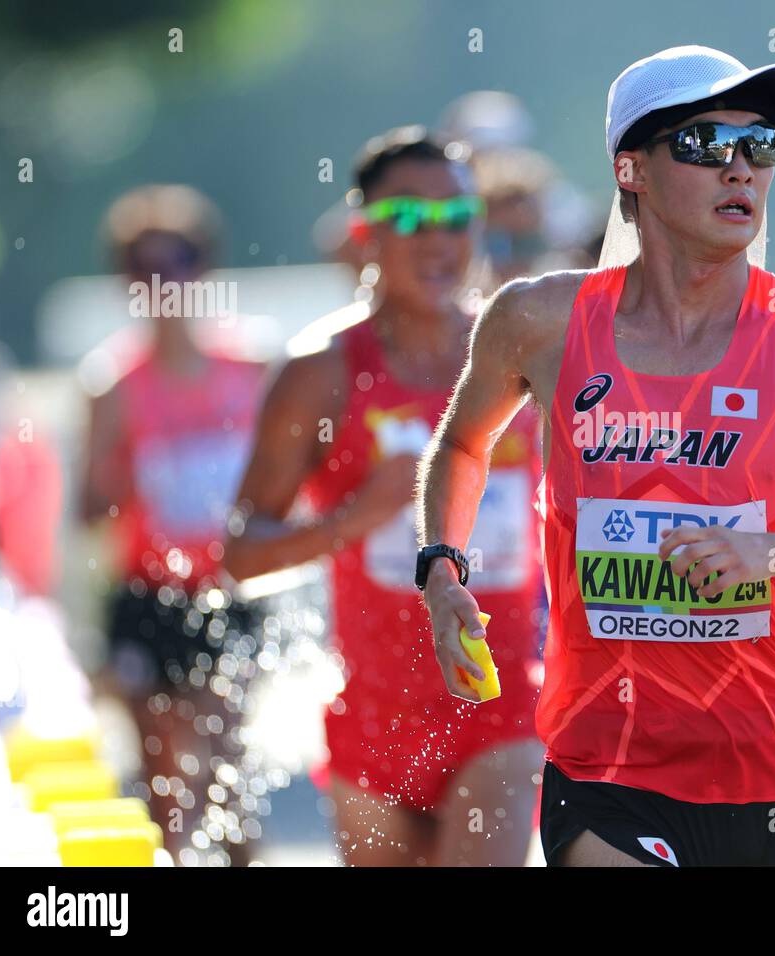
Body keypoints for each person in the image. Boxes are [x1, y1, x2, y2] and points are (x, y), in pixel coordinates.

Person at [416, 45, 775, 867]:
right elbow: (464, 442)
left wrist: (767, 554)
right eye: (704, 144)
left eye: (761, 145)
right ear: (633, 171)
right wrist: (442, 571)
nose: (741, 170)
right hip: (602, 766)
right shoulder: (538, 322)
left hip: (771, 772)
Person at [222, 125, 545, 867]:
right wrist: (356, 516)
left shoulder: (527, 354)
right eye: (407, 219)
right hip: (374, 725)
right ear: (364, 232)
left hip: (500, 711)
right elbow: (241, 555)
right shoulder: (320, 372)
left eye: (455, 217)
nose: (436, 239)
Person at [81, 184, 266, 865]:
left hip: (231, 590)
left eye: (176, 263)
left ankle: (245, 859)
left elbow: (289, 482)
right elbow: (86, 514)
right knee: (166, 786)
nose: (161, 283)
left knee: (225, 761)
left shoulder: (251, 367)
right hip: (147, 592)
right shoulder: (111, 385)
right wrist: (120, 480)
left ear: (203, 270)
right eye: (143, 269)